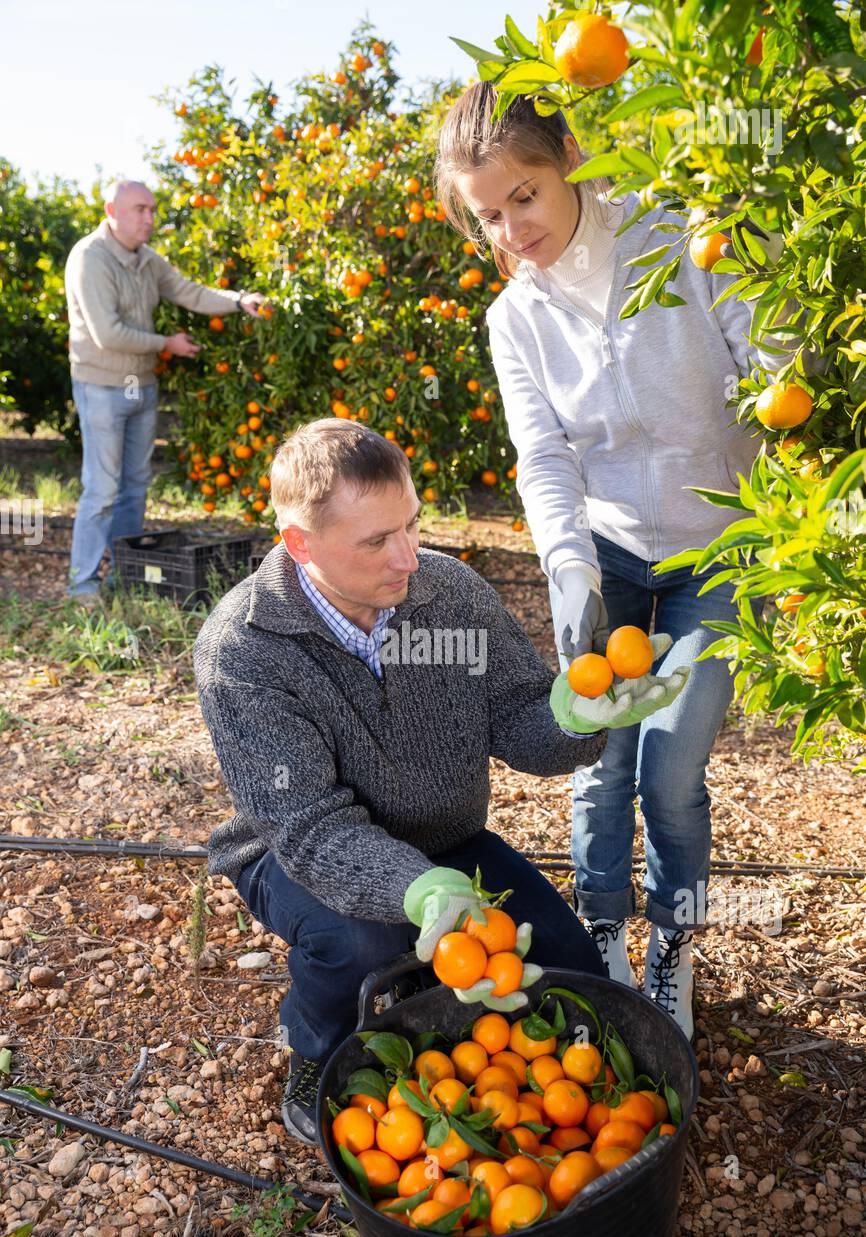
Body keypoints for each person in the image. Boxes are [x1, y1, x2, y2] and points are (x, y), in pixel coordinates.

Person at [435, 84, 812, 1043]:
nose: (512, 230)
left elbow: (778, 375)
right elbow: (547, 455)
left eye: (524, 195)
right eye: (488, 215)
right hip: (609, 555)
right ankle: (603, 941)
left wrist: (762, 248)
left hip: (721, 553)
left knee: (672, 775)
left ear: (567, 156)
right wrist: (568, 566)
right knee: (599, 769)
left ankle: (673, 945)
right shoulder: (515, 320)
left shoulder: (684, 239)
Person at [191, 419, 684, 1144]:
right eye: (376, 541)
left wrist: (573, 719)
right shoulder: (245, 650)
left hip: (447, 842)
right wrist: (416, 891)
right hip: (293, 853)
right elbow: (309, 829)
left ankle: (428, 982)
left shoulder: (449, 597)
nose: (407, 556)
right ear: (301, 544)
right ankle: (315, 1046)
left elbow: (521, 721)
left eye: (411, 525)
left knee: (575, 977)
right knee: (360, 945)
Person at [63, 179, 268, 603]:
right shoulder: (90, 258)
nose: (149, 218)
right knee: (101, 488)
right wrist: (166, 345)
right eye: (140, 209)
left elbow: (187, 291)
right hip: (101, 386)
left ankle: (125, 574)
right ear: (111, 211)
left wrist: (237, 300)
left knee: (135, 484)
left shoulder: (148, 260)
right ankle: (83, 585)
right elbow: (107, 335)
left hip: (142, 386)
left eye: (152, 210)